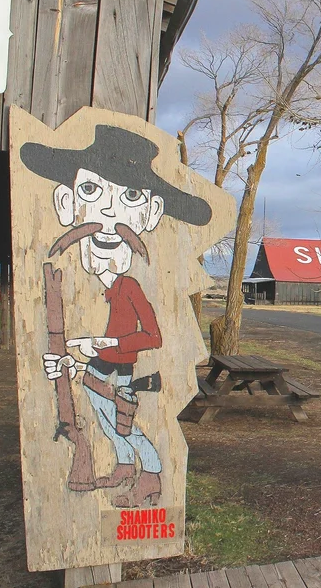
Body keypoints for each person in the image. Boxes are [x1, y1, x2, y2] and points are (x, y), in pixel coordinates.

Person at [22, 125, 211, 508]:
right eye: (92, 190)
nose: (109, 211)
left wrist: (100, 346)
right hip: (102, 362)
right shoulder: (97, 282)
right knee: (108, 424)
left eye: (130, 195)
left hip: (120, 369)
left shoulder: (131, 287)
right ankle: (125, 468)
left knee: (125, 424)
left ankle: (153, 477)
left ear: (151, 213)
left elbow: (153, 337)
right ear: (67, 202)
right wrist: (71, 357)